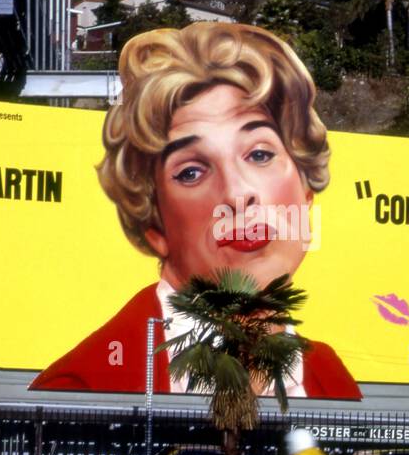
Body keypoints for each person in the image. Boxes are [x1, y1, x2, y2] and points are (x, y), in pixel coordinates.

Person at [29, 22, 360, 399]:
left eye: (259, 153)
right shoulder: (81, 389)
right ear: (153, 222)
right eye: (191, 172)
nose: (237, 194)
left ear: (305, 192)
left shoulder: (331, 380)